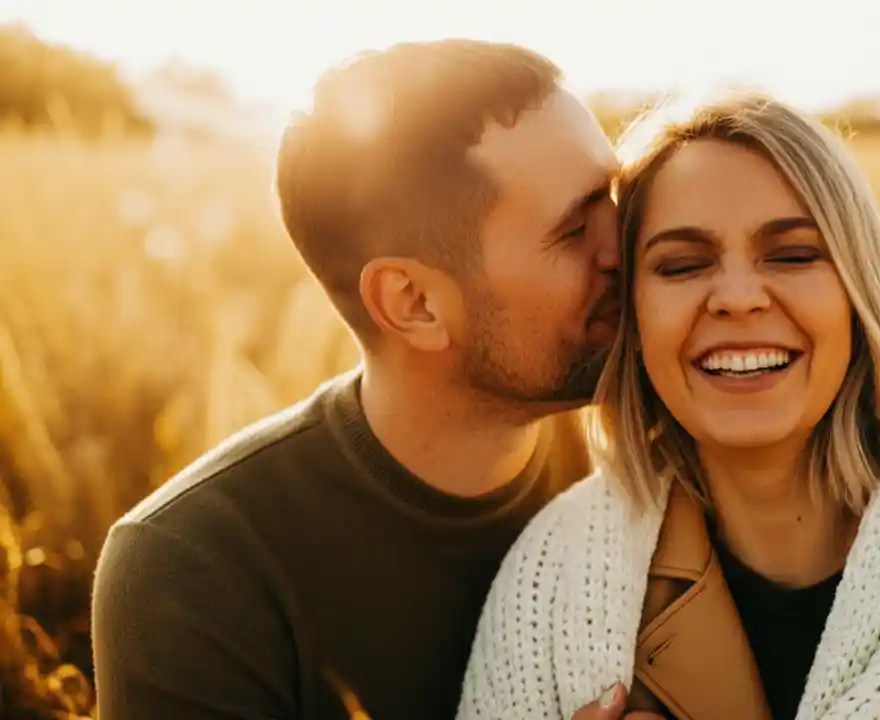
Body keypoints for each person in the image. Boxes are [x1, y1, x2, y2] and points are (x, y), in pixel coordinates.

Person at [460, 94, 880, 719]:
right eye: (682, 264)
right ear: (633, 319)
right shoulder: (551, 583)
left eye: (791, 255)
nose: (737, 297)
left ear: (859, 293)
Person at [91, 40, 633, 719]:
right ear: (415, 304)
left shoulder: (656, 466)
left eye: (617, 195)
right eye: (576, 227)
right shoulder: (196, 567)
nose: (629, 245)